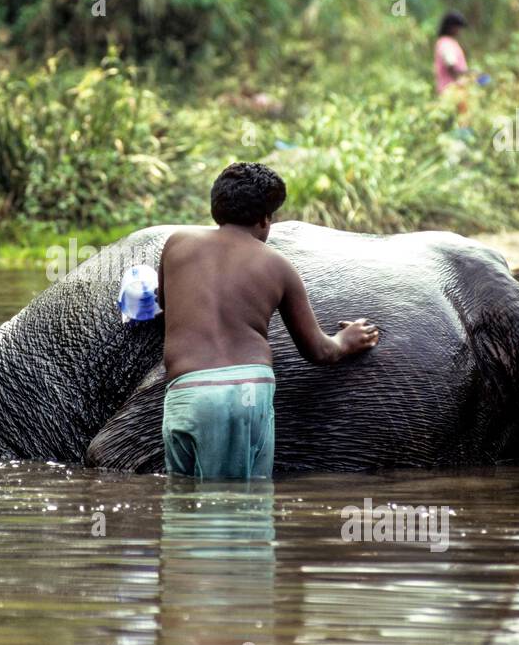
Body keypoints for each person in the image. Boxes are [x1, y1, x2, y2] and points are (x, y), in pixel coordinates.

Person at [157, 163, 379, 479]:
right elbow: (318, 350)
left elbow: (164, 302)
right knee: (240, 505)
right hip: (244, 392)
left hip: (186, 390)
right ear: (265, 219)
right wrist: (346, 340)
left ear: (215, 209)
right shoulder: (278, 266)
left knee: (182, 502)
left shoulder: (177, 244)